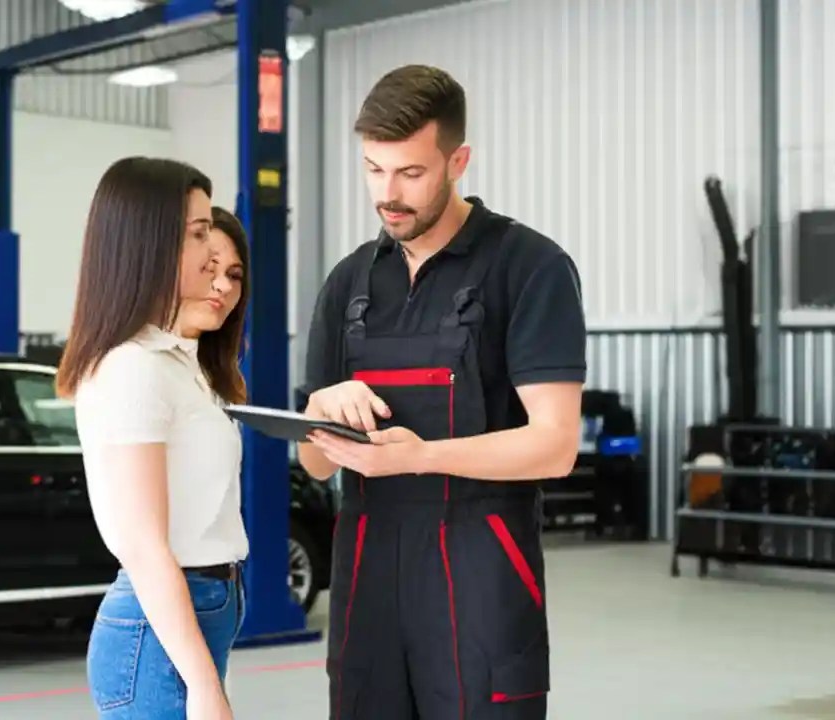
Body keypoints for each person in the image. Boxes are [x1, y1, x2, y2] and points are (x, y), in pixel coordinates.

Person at [298, 65, 587, 720]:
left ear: (458, 160)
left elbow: (556, 446)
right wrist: (319, 416)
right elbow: (315, 463)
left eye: (411, 173)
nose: (388, 194)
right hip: (368, 578)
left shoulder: (530, 268)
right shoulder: (348, 285)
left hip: (481, 572)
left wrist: (415, 456)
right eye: (374, 169)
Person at [56, 157, 251, 720]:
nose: (209, 256)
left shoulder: (177, 362)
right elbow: (144, 547)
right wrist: (204, 685)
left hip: (199, 607)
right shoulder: (131, 368)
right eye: (196, 236)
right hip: (159, 629)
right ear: (149, 246)